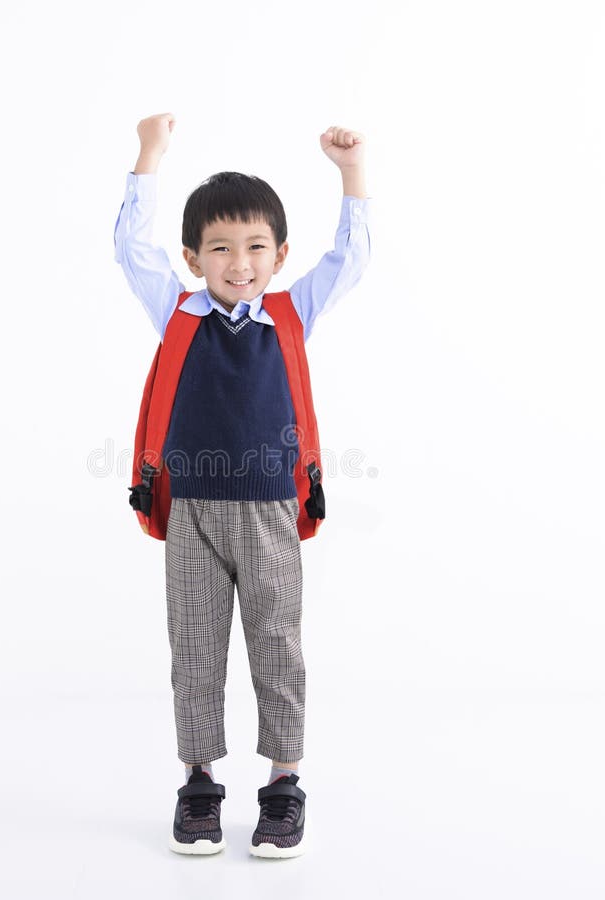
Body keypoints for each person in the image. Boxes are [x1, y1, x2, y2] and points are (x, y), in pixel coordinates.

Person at [113, 112, 371, 858]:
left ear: (279, 254)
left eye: (255, 247)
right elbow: (131, 248)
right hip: (190, 509)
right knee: (193, 649)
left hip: (270, 510)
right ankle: (198, 780)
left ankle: (283, 783)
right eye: (219, 248)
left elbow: (349, 257)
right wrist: (148, 156)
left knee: (277, 644)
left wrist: (349, 175)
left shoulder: (292, 314)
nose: (238, 261)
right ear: (192, 258)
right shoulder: (177, 313)